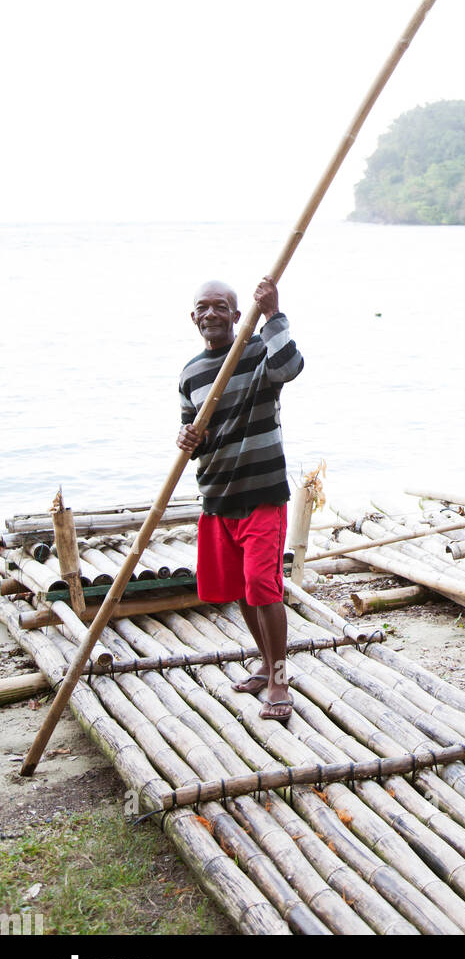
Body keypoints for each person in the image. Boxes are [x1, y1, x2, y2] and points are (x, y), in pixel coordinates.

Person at [177, 275, 304, 722]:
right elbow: (193, 427)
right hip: (217, 497)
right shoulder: (191, 372)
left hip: (262, 495)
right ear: (193, 318)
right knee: (242, 591)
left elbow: (290, 366)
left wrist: (272, 313)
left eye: (220, 307)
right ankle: (265, 662)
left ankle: (280, 678)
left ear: (235, 315)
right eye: (202, 307)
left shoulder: (255, 355)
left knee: (261, 585)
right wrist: (188, 437)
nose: (211, 314)